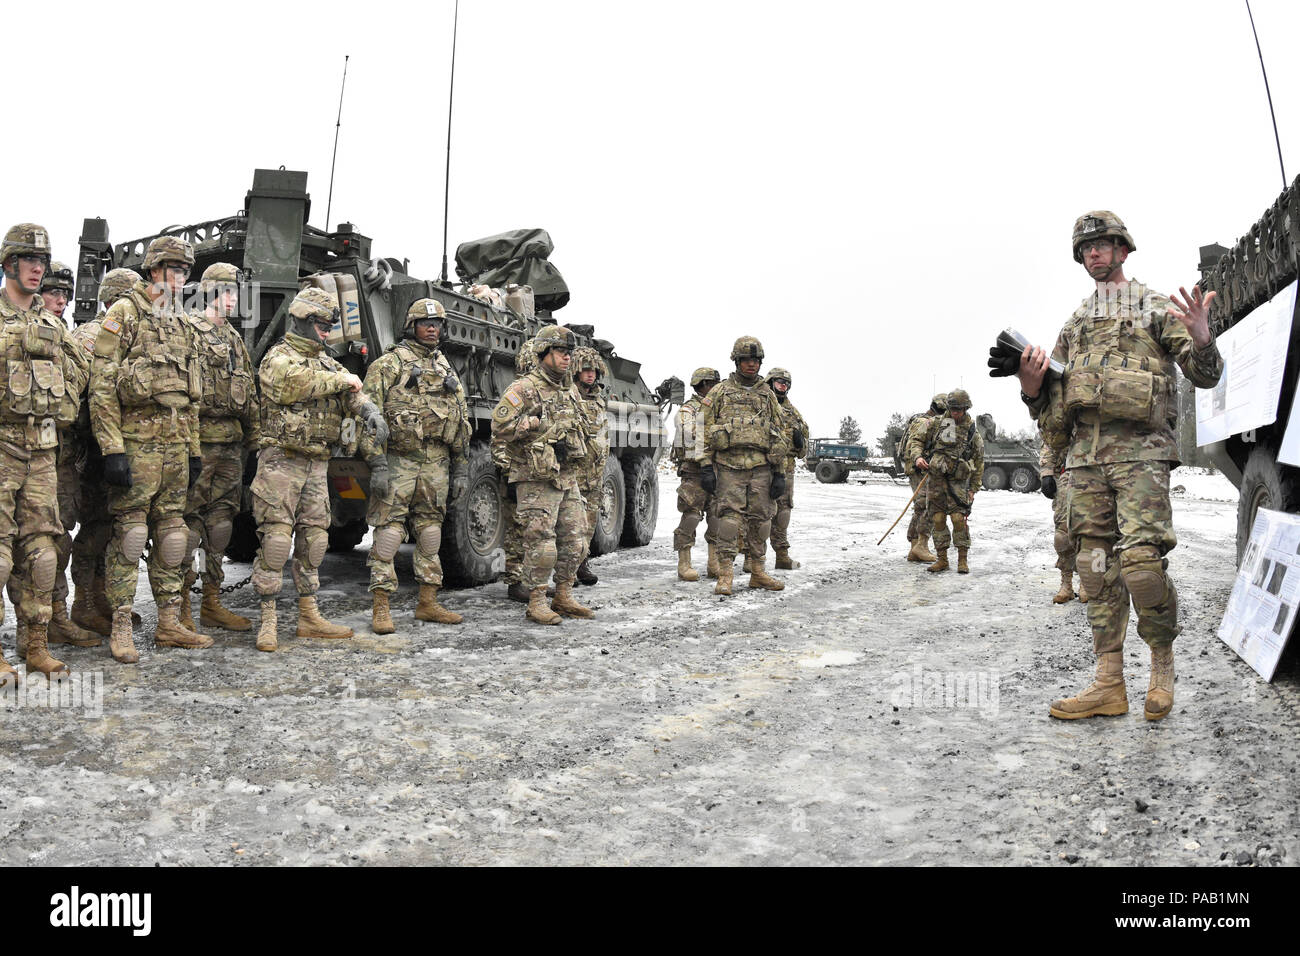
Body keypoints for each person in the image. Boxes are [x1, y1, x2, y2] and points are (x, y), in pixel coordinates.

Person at [1013, 210, 1223, 721]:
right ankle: (1109, 683)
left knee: (1143, 567)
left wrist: (1200, 336)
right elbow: (1052, 407)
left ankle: (1161, 668)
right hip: (1086, 462)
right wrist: (1032, 387)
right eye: (1086, 248)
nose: (1094, 253)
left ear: (1123, 250)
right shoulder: (1076, 323)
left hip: (1142, 458)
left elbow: (1205, 375)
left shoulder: (1154, 307)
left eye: (1103, 244)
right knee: (1095, 570)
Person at [90, 236, 210, 662]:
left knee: (174, 537)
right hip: (137, 447)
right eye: (172, 269)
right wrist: (112, 449)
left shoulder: (182, 323)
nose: (179, 278)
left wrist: (194, 451)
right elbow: (101, 386)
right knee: (131, 534)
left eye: (184, 271)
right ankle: (121, 624)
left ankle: (169, 623)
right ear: (154, 270)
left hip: (176, 449)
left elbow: (191, 396)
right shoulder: (125, 313)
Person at [251, 286, 387, 651]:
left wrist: (369, 410)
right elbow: (291, 385)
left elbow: (354, 394)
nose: (327, 332)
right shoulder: (278, 357)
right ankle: (268, 619)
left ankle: (309, 615)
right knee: (277, 541)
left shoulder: (327, 361)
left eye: (330, 326)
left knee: (315, 541)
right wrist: (344, 380)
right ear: (303, 321)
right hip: (281, 460)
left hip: (316, 463)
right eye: (322, 325)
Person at [0, 224, 89, 684]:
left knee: (43, 550)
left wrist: (58, 399)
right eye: (29, 261)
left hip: (42, 450)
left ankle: (36, 644)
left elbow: (79, 374)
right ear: (9, 264)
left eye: (43, 263)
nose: (38, 270)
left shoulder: (53, 324)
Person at [360, 298, 470, 633]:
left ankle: (428, 602)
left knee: (430, 532)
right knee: (390, 534)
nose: (432, 327)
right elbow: (367, 415)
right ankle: (381, 607)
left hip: (436, 463)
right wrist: (377, 463)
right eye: (425, 322)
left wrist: (462, 467)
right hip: (399, 461)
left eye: (437, 323)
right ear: (411, 326)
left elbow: (461, 419)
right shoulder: (389, 364)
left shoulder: (445, 367)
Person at [490, 324, 591, 624]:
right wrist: (532, 425)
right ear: (544, 353)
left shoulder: (570, 389)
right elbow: (500, 427)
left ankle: (563, 595)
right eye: (561, 352)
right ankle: (536, 600)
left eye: (569, 353)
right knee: (541, 542)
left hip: (566, 475)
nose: (567, 358)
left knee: (576, 538)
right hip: (535, 477)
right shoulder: (524, 388)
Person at [180, 263, 260, 632]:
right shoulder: (189, 332)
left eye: (235, 294)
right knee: (187, 525)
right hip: (196, 444)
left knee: (221, 525)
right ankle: (179, 607)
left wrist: (255, 442)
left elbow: (250, 397)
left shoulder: (234, 339)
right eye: (226, 293)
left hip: (230, 447)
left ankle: (212, 601)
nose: (232, 301)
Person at [68, 269, 141, 638]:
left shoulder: (127, 333)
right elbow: (83, 396)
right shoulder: (91, 335)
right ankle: (84, 602)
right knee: (95, 527)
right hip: (95, 450)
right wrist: (99, 445)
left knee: (112, 528)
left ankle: (99, 597)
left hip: (118, 447)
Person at [698, 336, 787, 595]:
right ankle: (725, 573)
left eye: (756, 360)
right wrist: (705, 466)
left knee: (761, 521)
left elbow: (778, 433)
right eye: (747, 360)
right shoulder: (720, 392)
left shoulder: (767, 394)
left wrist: (779, 472)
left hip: (761, 468)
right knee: (729, 521)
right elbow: (701, 430)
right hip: (729, 467)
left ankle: (758, 572)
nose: (752, 365)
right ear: (737, 361)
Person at [906, 388, 983, 573]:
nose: (955, 413)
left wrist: (973, 488)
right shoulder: (935, 423)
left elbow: (979, 461)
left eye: (959, 409)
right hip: (936, 479)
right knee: (938, 519)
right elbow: (916, 440)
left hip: (958, 482)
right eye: (953, 409)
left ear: (966, 409)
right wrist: (917, 457)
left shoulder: (972, 431)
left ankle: (962, 560)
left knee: (958, 519)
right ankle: (942, 559)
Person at [671, 367, 721, 581]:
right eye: (712, 384)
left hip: (718, 469)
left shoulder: (719, 408)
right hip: (694, 470)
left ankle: (714, 562)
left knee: (717, 516)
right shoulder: (688, 409)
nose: (716, 388)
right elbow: (689, 431)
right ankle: (684, 563)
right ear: (702, 385)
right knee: (691, 515)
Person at [571, 345, 609, 586]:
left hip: (594, 475)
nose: (591, 374)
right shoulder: (568, 396)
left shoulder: (598, 400)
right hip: (574, 473)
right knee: (570, 525)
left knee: (588, 523)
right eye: (585, 369)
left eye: (594, 370)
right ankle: (567, 570)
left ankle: (582, 563)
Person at [766, 367, 809, 570]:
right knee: (759, 512)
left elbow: (804, 445)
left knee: (783, 512)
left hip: (787, 468)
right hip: (762, 467)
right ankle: (751, 557)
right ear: (770, 382)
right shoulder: (761, 404)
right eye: (779, 382)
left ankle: (781, 554)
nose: (783, 386)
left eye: (786, 384)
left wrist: (800, 443)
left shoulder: (793, 412)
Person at [902, 393, 948, 563]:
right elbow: (914, 445)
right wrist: (919, 459)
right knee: (926, 505)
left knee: (921, 507)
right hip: (918, 469)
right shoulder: (925, 422)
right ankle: (920, 545)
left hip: (917, 468)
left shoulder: (922, 420)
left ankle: (915, 549)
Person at [1039, 442, 1086, 605]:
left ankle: (1086, 583)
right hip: (1065, 475)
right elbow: (1050, 439)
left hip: (1094, 473)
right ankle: (1066, 584)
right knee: (1062, 535)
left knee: (1090, 532)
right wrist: (1046, 473)